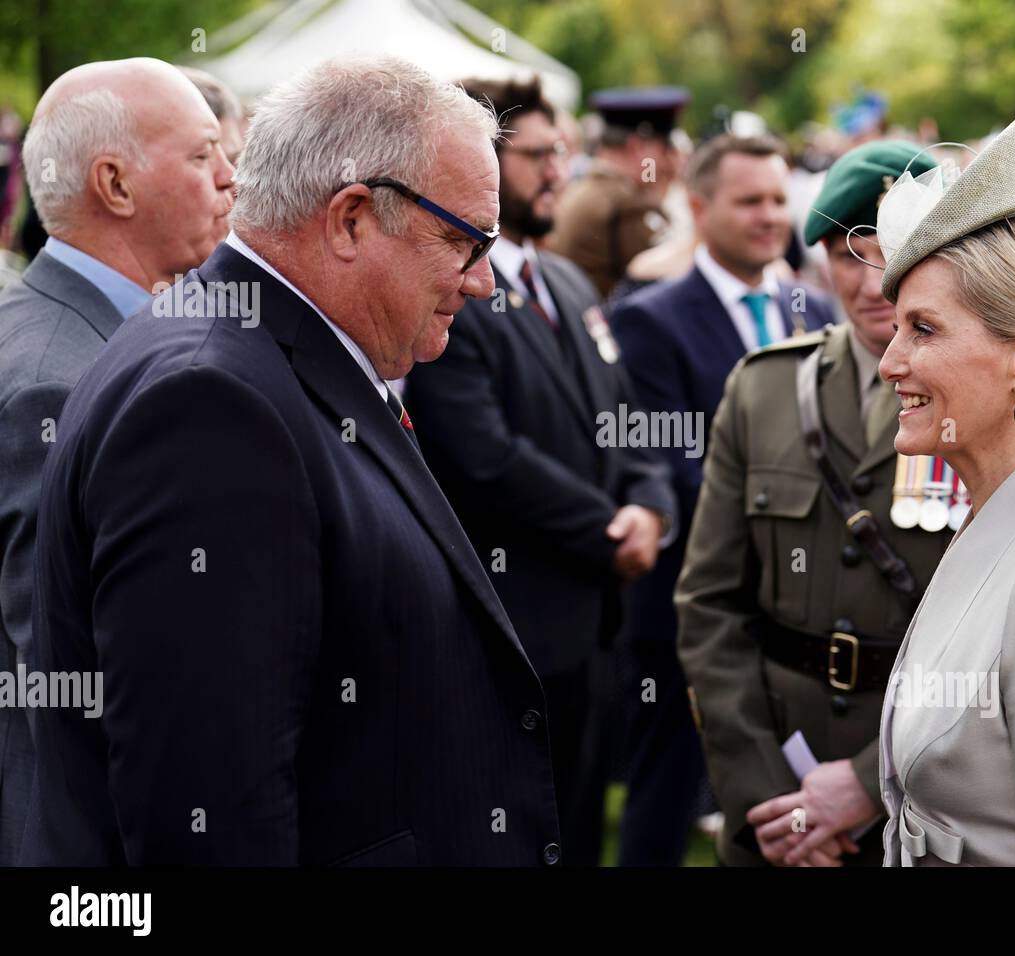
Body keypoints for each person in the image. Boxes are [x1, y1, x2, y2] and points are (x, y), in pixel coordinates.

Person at [20, 55, 561, 866]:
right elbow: (208, 813)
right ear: (349, 219)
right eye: (464, 240)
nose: (484, 282)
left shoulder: (265, 356)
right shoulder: (211, 403)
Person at [679, 141, 1015, 867]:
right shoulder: (762, 390)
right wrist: (762, 793)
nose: (875, 281)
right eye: (851, 254)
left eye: (896, 256)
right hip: (781, 780)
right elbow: (710, 606)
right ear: (820, 259)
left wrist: (864, 785)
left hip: (941, 794)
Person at [401, 76, 676, 866]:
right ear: (477, 168)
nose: (560, 170)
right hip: (512, 628)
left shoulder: (562, 279)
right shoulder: (455, 291)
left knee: (584, 829)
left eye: (562, 151)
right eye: (536, 156)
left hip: (593, 627)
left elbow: (625, 416)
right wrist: (607, 530)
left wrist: (652, 507)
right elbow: (482, 458)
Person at [0, 57, 234, 867]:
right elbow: (72, 683)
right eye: (204, 156)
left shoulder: (58, 331)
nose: (230, 179)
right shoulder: (63, 382)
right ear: (117, 186)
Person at [610, 133, 836, 865]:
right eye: (750, 202)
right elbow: (660, 454)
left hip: (803, 602)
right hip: (693, 600)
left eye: (778, 199)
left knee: (787, 791)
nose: (771, 216)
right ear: (701, 208)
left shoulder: (818, 308)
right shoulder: (652, 316)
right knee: (664, 794)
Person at [548, 87, 688, 298]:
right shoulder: (626, 203)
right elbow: (672, 282)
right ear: (637, 147)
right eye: (664, 150)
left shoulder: (587, 189)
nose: (668, 163)